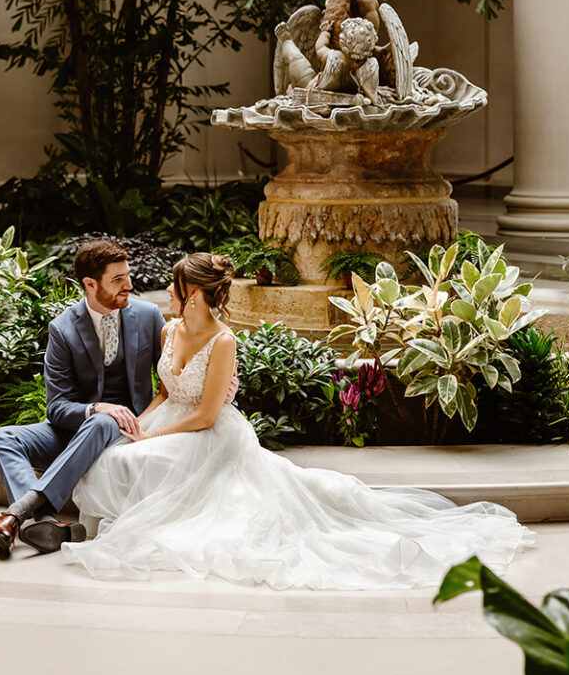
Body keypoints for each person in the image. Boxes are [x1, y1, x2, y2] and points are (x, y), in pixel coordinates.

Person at [61, 253, 532, 591]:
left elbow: (206, 414)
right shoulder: (170, 328)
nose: (167, 292)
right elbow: (165, 392)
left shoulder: (223, 342)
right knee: (115, 456)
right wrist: (136, 424)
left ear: (196, 293)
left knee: (158, 467)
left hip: (207, 433)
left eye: (175, 287)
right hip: (167, 419)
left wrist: (154, 435)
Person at [0, 238, 164, 558]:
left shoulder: (148, 316)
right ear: (90, 284)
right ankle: (45, 523)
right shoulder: (63, 329)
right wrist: (94, 407)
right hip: (77, 427)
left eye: (128, 276)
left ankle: (18, 514)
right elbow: (57, 407)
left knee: (103, 421)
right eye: (118, 279)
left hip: (129, 425)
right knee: (2, 438)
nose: (129, 285)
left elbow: (170, 379)